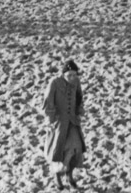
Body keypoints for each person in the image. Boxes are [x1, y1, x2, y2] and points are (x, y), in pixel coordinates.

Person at [42, 59, 85, 190]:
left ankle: (69, 175)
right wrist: (50, 120)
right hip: (59, 122)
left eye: (74, 75)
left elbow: (79, 98)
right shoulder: (54, 83)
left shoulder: (76, 82)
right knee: (58, 151)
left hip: (72, 121)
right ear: (63, 74)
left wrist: (79, 111)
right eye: (69, 75)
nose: (72, 78)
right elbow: (48, 102)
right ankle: (57, 177)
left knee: (75, 148)